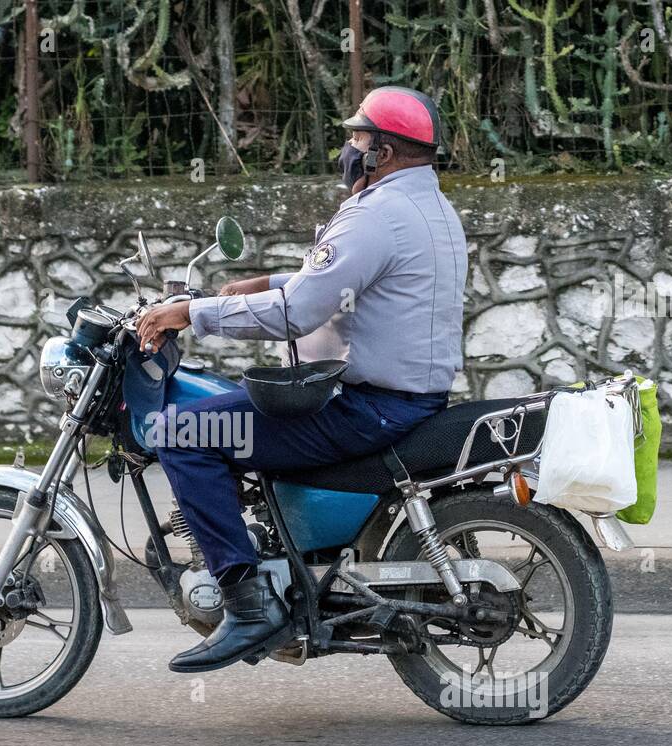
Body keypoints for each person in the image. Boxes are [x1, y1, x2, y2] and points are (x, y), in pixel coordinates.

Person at [135, 87, 468, 673]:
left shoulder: (376, 213)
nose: (348, 147)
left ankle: (249, 606)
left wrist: (192, 312)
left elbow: (299, 313)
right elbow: (355, 279)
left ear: (381, 153)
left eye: (357, 138)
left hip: (367, 406)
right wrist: (268, 281)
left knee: (181, 433)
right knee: (224, 420)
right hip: (406, 397)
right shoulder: (428, 206)